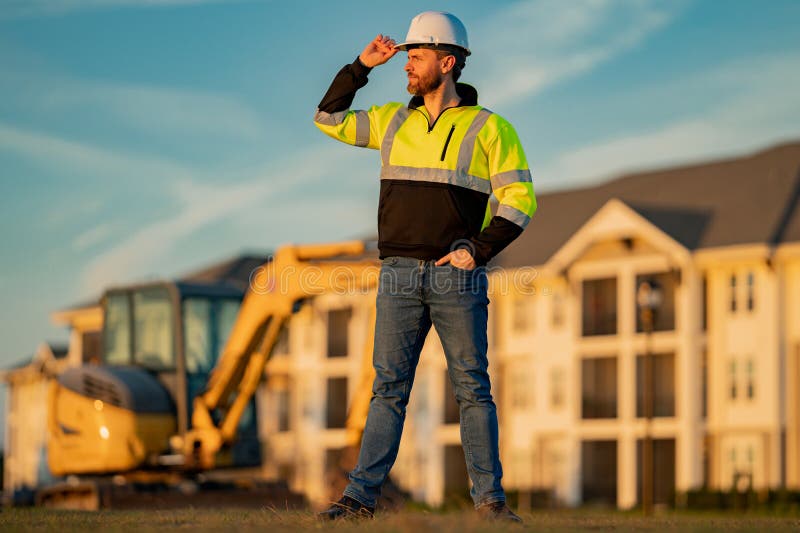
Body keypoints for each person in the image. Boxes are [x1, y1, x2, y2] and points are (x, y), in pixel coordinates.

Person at [313, 11, 536, 523]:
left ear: (447, 61)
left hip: (456, 277)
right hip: (396, 275)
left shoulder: (490, 128)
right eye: (406, 57)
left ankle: (490, 505)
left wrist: (476, 251)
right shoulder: (393, 119)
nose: (406, 65)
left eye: (415, 57)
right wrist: (360, 66)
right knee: (387, 391)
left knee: (472, 388)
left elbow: (520, 201)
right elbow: (327, 118)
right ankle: (358, 501)